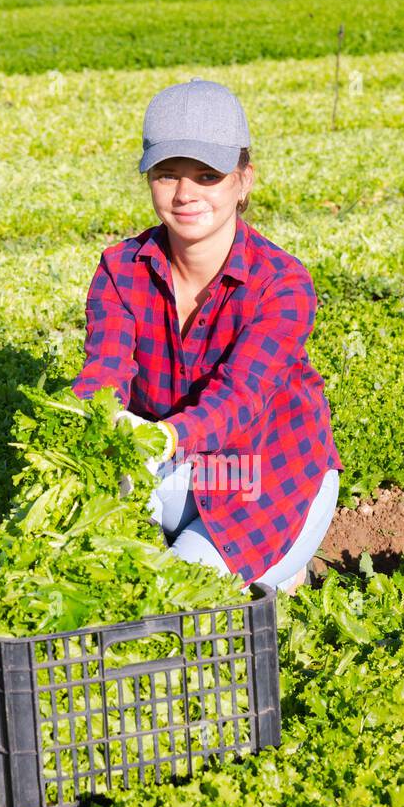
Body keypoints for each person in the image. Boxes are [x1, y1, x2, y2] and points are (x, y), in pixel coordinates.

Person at [71, 77, 343, 596]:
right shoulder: (120, 270)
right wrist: (89, 419)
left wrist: (164, 436)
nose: (185, 193)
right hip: (184, 466)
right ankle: (259, 569)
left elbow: (240, 396)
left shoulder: (281, 284)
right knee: (93, 549)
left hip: (266, 476)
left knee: (172, 591)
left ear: (243, 181)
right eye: (167, 174)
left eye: (207, 175)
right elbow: (103, 373)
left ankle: (283, 562)